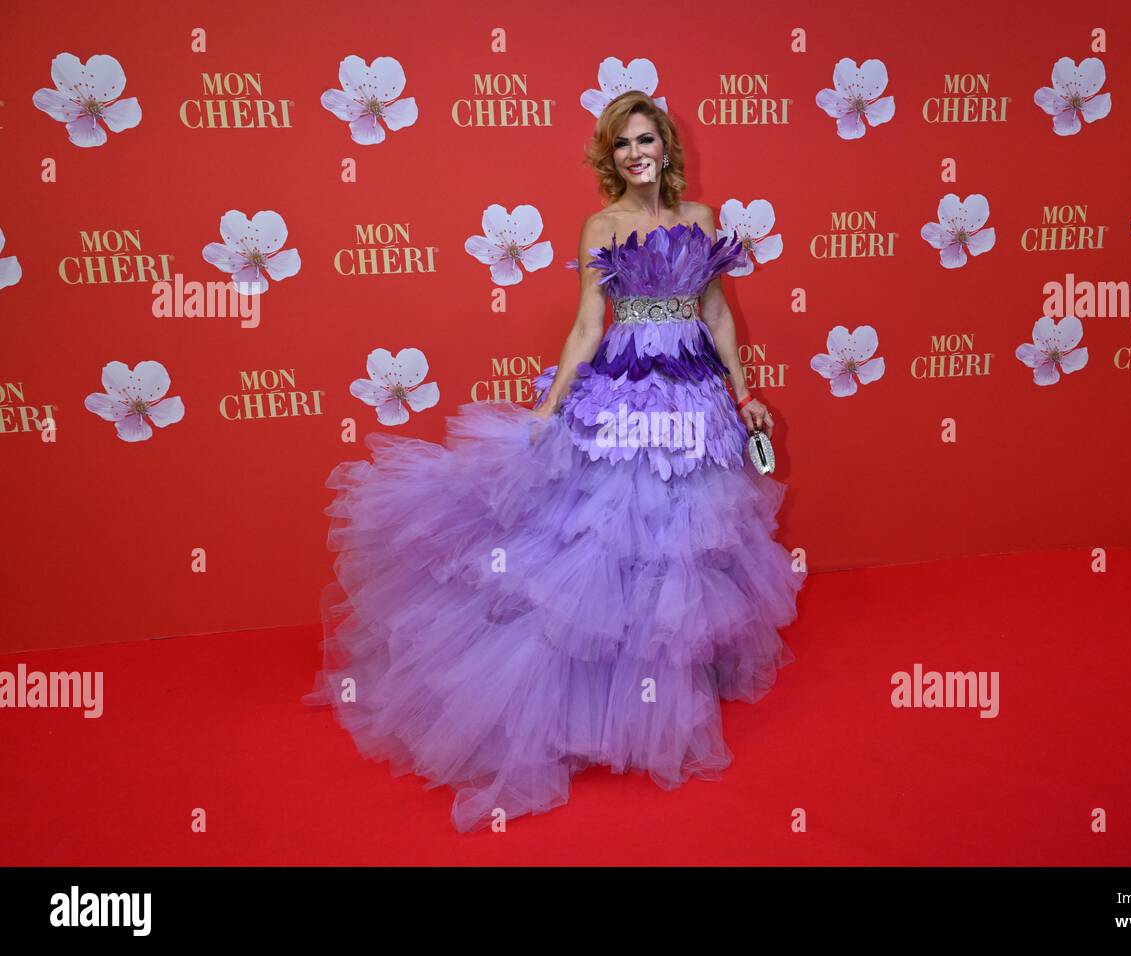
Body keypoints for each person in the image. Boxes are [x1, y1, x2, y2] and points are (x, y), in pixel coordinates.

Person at [303, 91, 805, 833]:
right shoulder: (600, 226)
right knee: (611, 534)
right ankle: (603, 691)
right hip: (626, 388)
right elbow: (586, 327)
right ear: (611, 157)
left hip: (693, 392)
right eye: (623, 144)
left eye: (646, 140)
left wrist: (744, 393)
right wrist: (545, 411)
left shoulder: (702, 219)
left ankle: (665, 677)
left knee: (681, 536)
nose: (636, 154)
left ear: (666, 146)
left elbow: (717, 312)